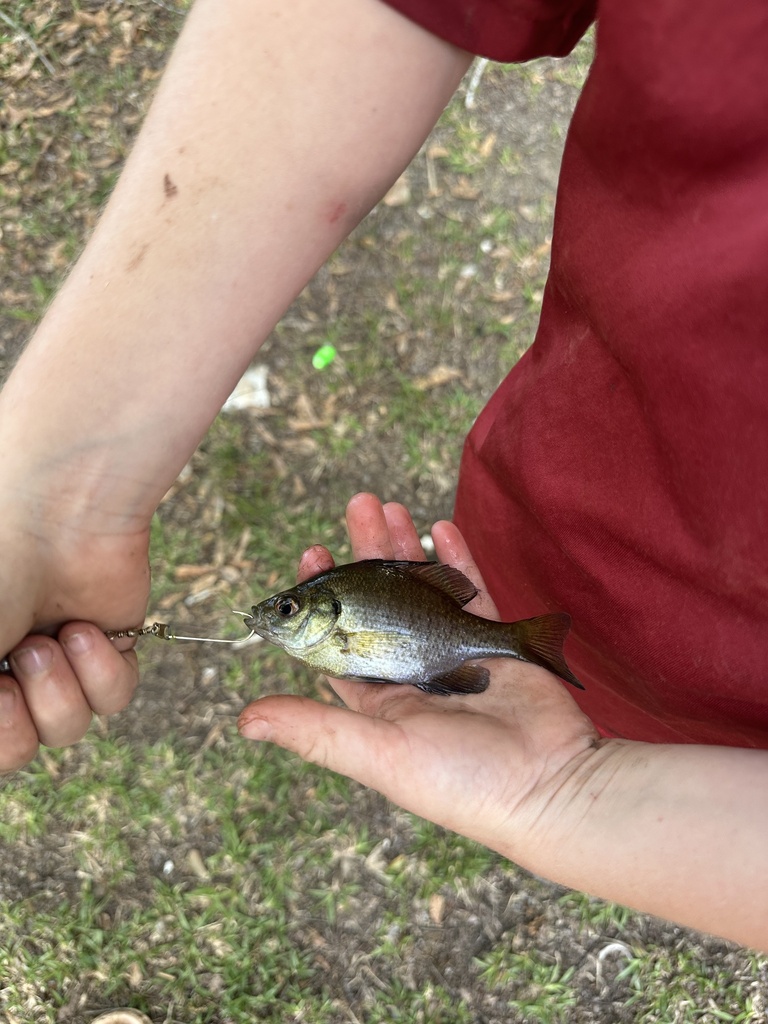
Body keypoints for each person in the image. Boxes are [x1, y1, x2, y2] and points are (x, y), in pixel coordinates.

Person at [0, 0, 766, 952]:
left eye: (291, 616)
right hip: (557, 551)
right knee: (569, 656)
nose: (284, 621)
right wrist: (49, 492)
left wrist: (577, 805)